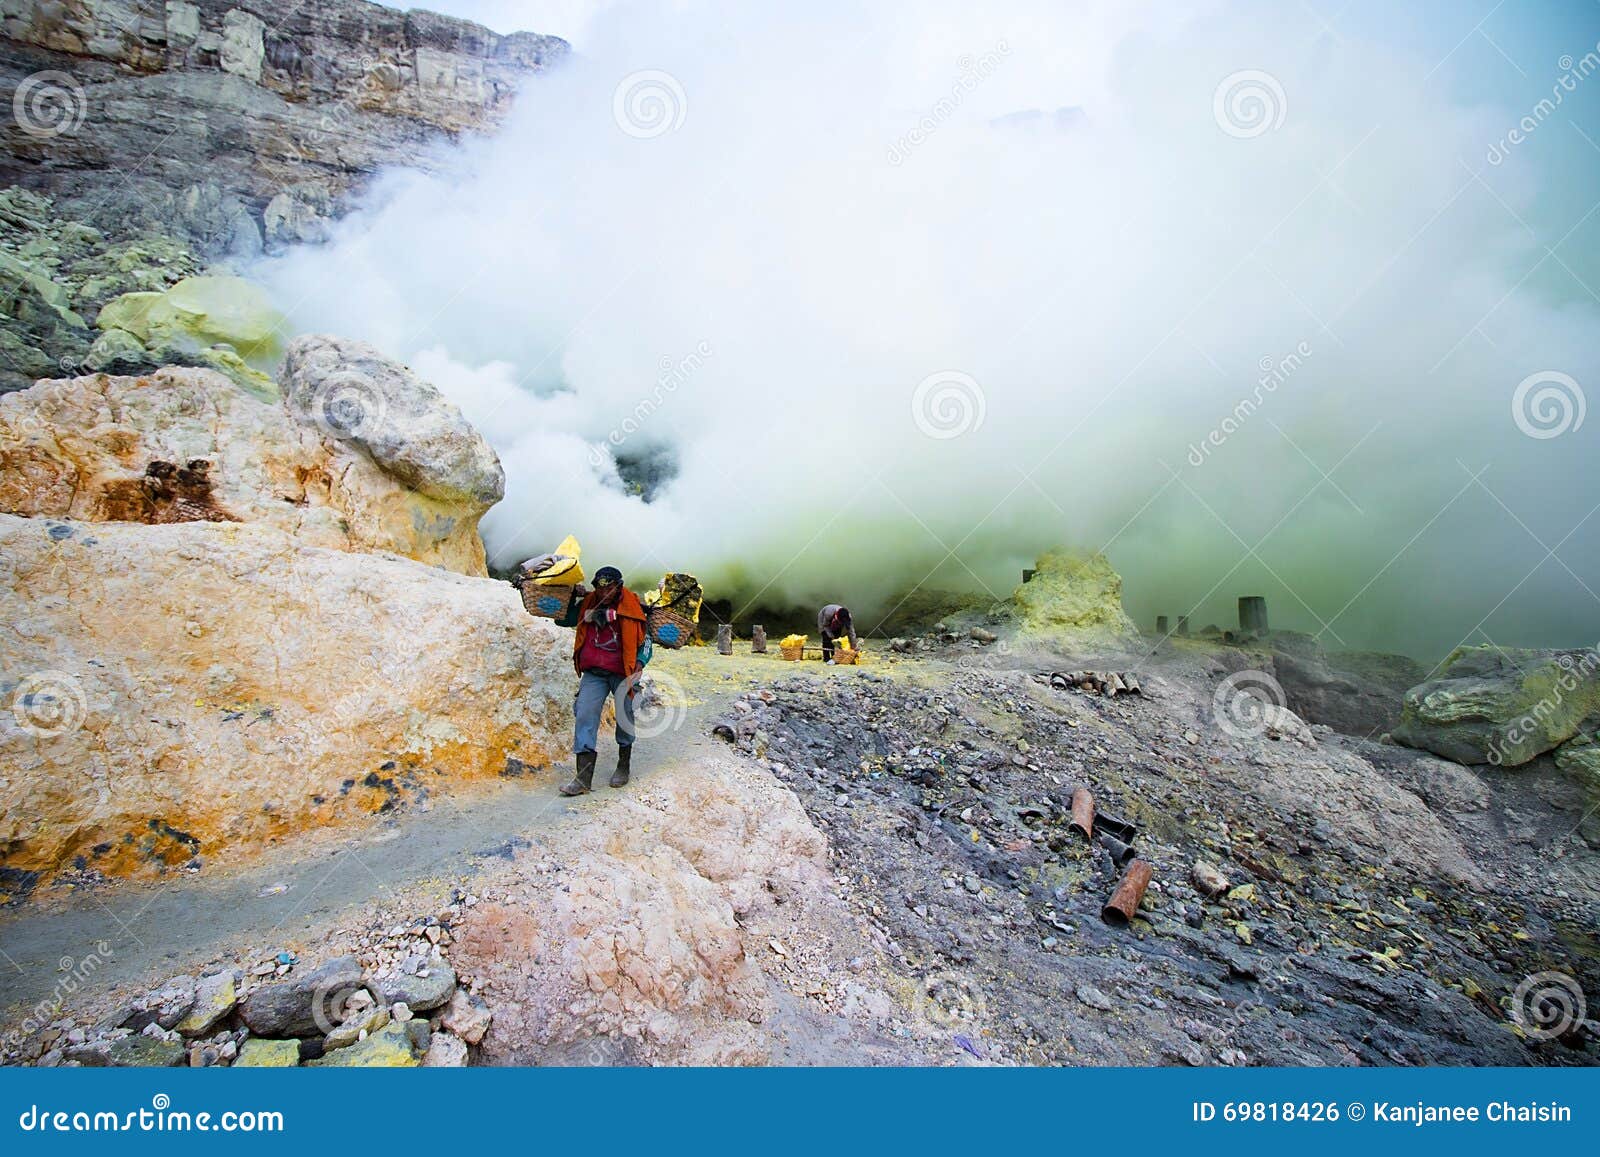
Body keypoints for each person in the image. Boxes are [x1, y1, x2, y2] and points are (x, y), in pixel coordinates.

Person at [562, 566, 649, 796]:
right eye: (599, 589)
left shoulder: (633, 607)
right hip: (594, 672)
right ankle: (583, 779)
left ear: (618, 587)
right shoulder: (587, 604)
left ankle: (623, 764)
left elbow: (646, 641)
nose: (604, 593)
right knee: (584, 713)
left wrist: (640, 662)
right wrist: (570, 596)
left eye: (609, 588)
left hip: (623, 671)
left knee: (625, 715)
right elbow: (564, 619)